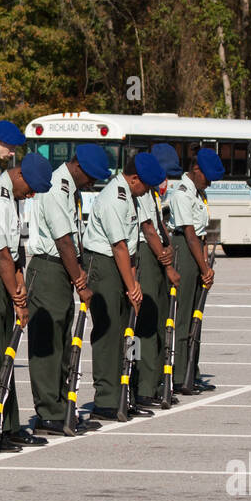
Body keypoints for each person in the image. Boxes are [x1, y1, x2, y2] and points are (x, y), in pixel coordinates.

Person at [0, 153, 52, 452]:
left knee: (7, 353)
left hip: (2, 272)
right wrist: (19, 299)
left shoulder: (9, 197)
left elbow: (14, 254)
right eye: (30, 189)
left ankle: (10, 425)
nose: (30, 196)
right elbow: (2, 254)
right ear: (19, 175)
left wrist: (20, 288)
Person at [26, 143, 109, 436]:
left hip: (61, 269)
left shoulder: (69, 188)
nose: (92, 183)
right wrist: (81, 283)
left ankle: (61, 407)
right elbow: (62, 240)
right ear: (78, 167)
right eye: (91, 177)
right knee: (47, 346)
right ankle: (49, 412)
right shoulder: (56, 187)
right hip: (48, 267)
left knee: (61, 344)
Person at [84, 151, 164, 421]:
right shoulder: (113, 198)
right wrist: (132, 287)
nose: (148, 192)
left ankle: (125, 392)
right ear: (135, 179)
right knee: (109, 335)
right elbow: (118, 246)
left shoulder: (131, 196)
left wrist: (134, 283)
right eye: (147, 186)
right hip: (104, 266)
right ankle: (106, 398)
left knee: (129, 333)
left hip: (123, 265)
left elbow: (128, 246)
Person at [170, 147, 222, 394]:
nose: (210, 183)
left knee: (195, 316)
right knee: (182, 319)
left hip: (197, 252)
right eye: (208, 177)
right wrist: (203, 268)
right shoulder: (182, 194)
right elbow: (189, 235)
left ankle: (193, 370)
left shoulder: (199, 193)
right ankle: (179, 375)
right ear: (196, 170)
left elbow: (201, 235)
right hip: (184, 251)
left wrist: (205, 267)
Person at [134, 144, 183, 406]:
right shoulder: (142, 190)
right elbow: (148, 228)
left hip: (155, 255)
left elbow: (159, 224)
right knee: (144, 326)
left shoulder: (151, 192)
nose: (167, 180)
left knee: (156, 324)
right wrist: (167, 264)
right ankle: (141, 385)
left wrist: (166, 247)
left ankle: (151, 383)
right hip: (145, 256)